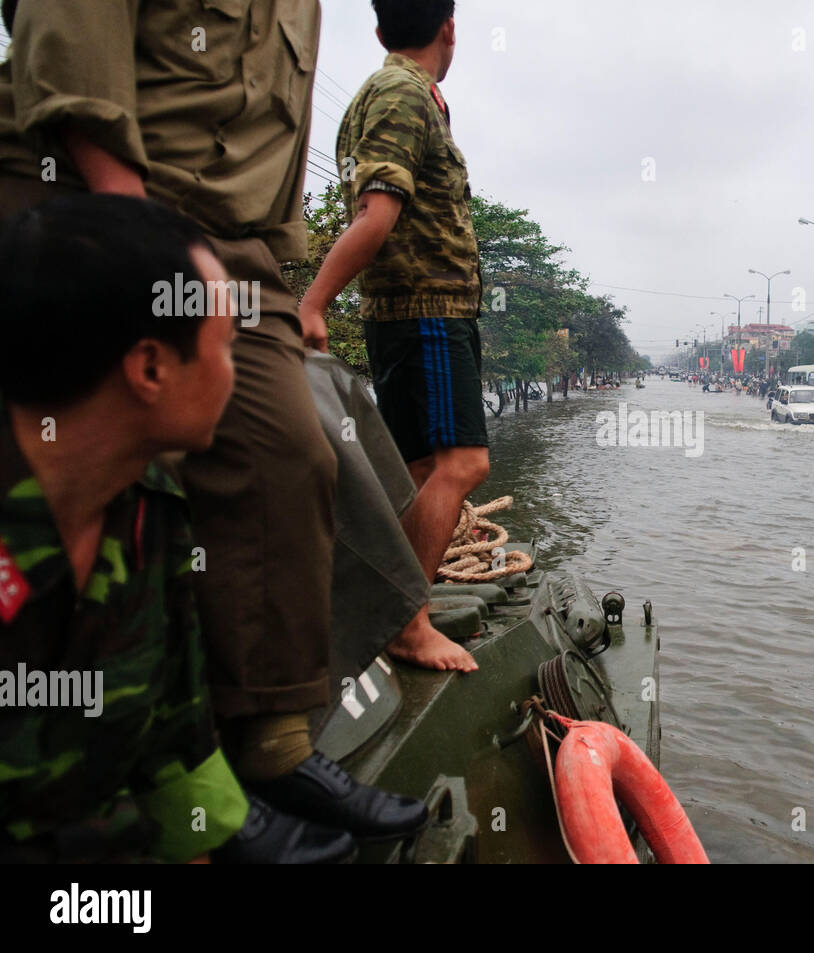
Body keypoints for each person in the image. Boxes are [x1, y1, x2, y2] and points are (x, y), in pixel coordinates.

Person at [0, 1, 430, 844]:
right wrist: (140, 248)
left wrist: (278, 290)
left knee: (285, 453)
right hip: (83, 180)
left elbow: (273, 149)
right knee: (93, 473)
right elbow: (72, 51)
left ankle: (263, 744)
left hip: (237, 247)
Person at [0, 195, 352, 863]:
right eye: (226, 345)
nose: (237, 371)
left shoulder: (149, 509)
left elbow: (173, 739)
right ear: (151, 368)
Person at [300, 0, 484, 670]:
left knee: (418, 472)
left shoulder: (394, 95)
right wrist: (314, 301)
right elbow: (378, 215)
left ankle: (397, 613)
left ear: (380, 31)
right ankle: (406, 623)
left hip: (419, 312)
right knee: (463, 464)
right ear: (449, 30)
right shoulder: (402, 95)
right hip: (425, 311)